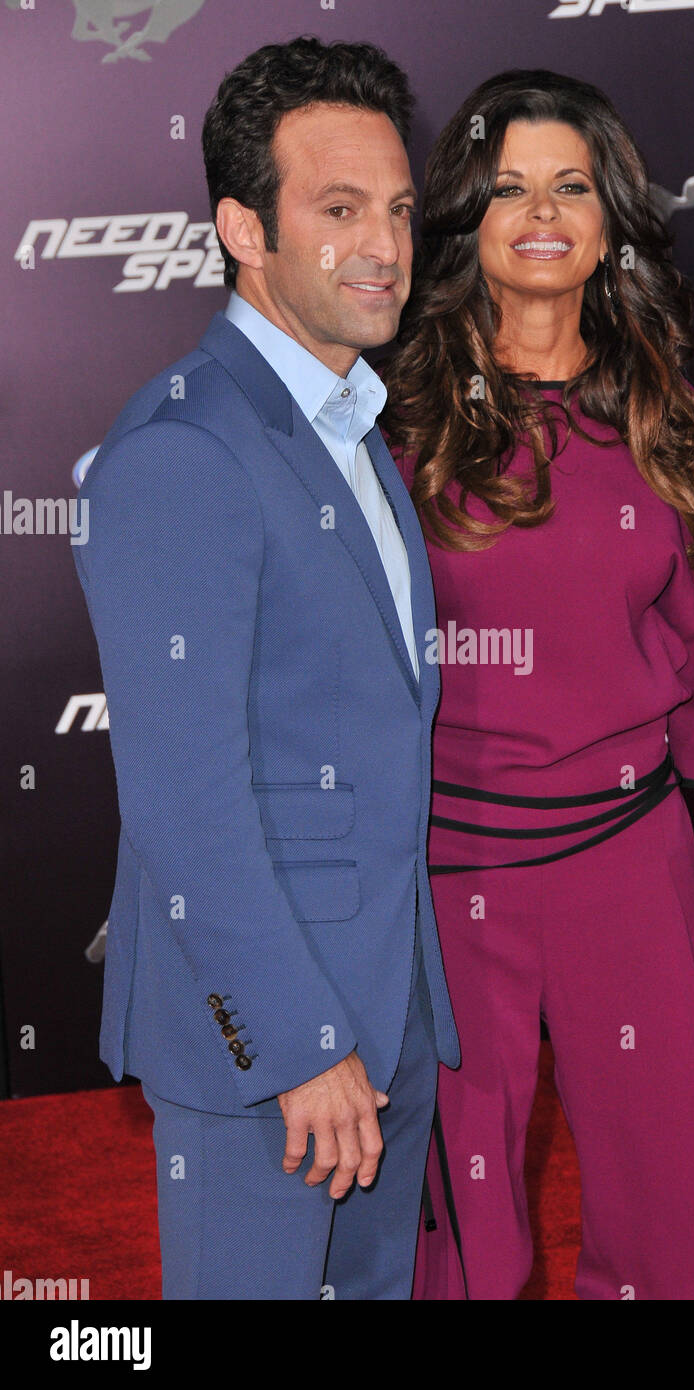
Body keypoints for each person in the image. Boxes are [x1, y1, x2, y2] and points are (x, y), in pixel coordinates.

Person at [381, 69, 694, 1300]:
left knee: (662, 1187)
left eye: (569, 183)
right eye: (507, 186)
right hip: (447, 866)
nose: (540, 210)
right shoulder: (396, 423)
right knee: (456, 1208)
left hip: (626, 860)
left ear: (610, 218)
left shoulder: (660, 416)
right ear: (467, 217)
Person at [72, 37, 458, 1300]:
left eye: (397, 209)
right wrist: (295, 1045)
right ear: (243, 227)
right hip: (272, 1053)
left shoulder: (343, 417)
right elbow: (184, 803)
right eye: (338, 210)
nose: (385, 246)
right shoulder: (186, 451)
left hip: (385, 1010)